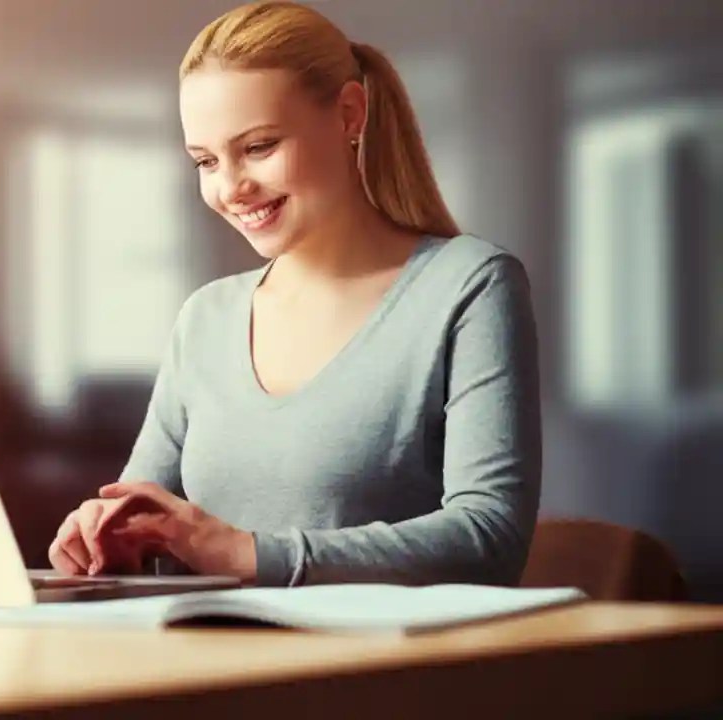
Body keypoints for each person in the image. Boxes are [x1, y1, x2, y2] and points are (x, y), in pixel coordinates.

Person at [47, 0, 542, 587]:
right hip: (209, 643)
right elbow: (143, 515)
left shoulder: (469, 285)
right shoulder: (206, 317)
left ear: (350, 115)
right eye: (206, 161)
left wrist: (249, 553)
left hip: (374, 647)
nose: (231, 187)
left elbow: (490, 536)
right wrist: (106, 537)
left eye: (259, 147)